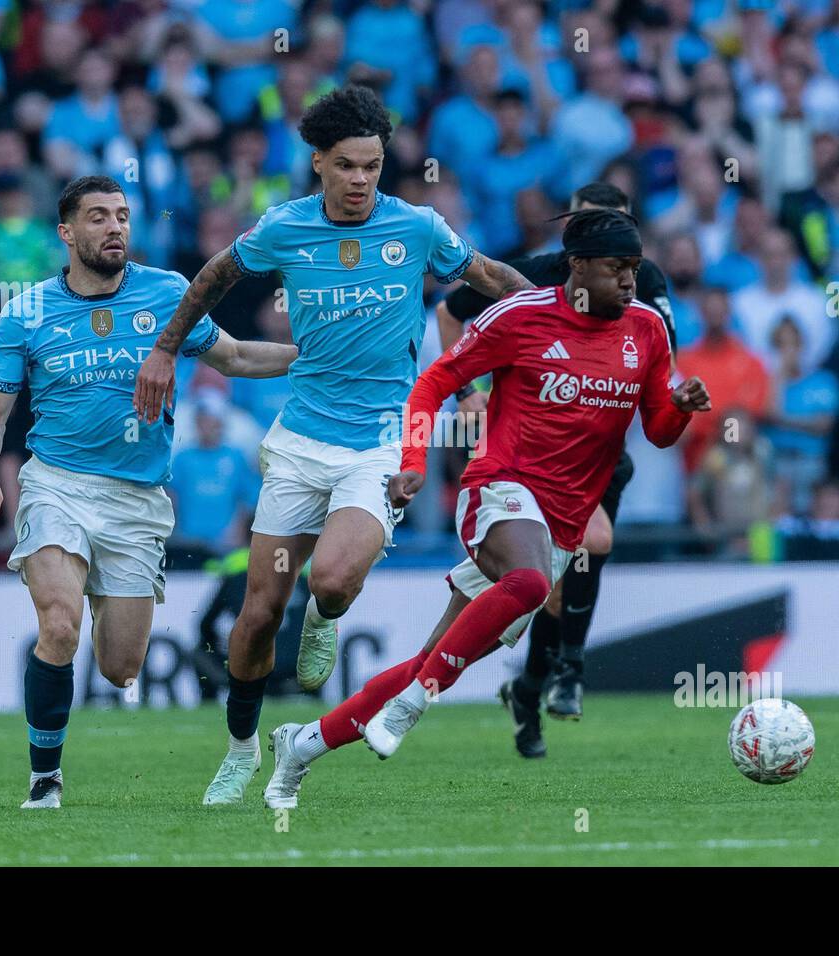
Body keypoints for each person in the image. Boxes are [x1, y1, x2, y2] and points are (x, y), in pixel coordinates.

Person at [131, 85, 532, 804]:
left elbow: (492, 279)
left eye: (373, 167)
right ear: (319, 163)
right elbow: (215, 276)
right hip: (299, 441)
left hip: (381, 439)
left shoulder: (417, 229)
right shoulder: (283, 228)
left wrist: (553, 332)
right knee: (255, 617)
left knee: (333, 581)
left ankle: (323, 618)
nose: (360, 180)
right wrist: (165, 349)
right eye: (347, 166)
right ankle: (241, 748)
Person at [257, 208, 710, 809]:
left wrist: (680, 405)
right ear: (577, 267)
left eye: (634, 269)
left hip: (563, 523)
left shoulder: (647, 331)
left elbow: (656, 431)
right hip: (500, 484)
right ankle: (415, 706)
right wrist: (414, 458)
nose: (630, 281)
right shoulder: (520, 316)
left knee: (435, 656)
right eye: (616, 268)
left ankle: (304, 745)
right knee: (525, 583)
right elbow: (432, 383)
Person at [0, 175, 297, 810]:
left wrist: (310, 355)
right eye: (97, 217)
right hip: (56, 483)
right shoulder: (27, 311)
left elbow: (235, 358)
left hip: (137, 500)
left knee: (122, 668)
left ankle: (95, 595)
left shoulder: (168, 292)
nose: (114, 227)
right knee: (58, 625)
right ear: (66, 232)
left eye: (121, 215)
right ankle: (44, 781)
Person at [435, 180, 676, 757]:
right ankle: (565, 666)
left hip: (599, 448)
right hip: (530, 449)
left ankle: (534, 684)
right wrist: (468, 391)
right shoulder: (535, 277)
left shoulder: (646, 287)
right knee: (575, 554)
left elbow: (659, 361)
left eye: (624, 239)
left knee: (565, 570)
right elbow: (449, 312)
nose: (619, 257)